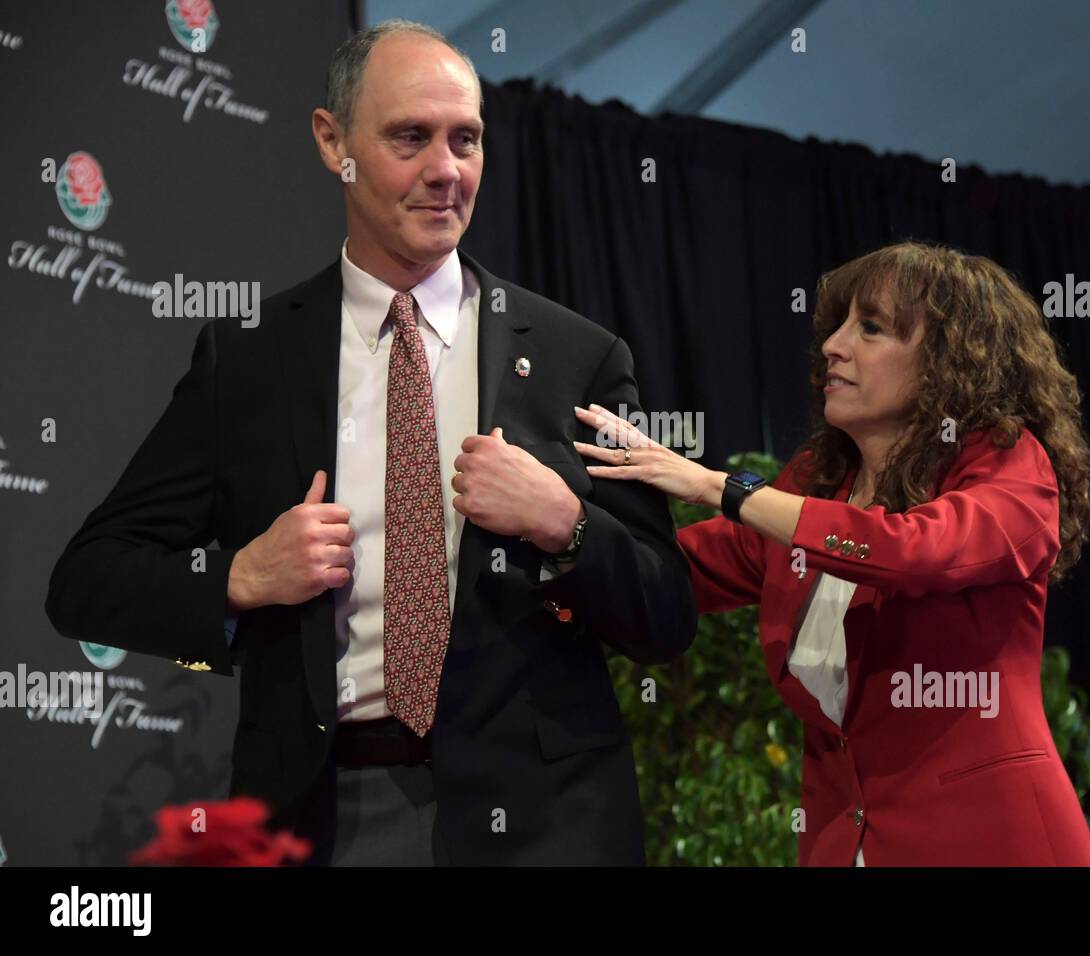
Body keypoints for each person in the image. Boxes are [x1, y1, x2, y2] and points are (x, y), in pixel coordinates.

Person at [45, 19, 695, 866]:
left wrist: (567, 522)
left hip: (545, 826)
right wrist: (242, 576)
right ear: (332, 143)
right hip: (324, 817)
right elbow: (87, 582)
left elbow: (666, 616)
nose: (446, 171)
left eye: (467, 140)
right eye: (410, 138)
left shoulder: (579, 356)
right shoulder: (246, 358)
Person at [574, 240, 1090, 866]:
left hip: (993, 840)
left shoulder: (1009, 464)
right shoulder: (814, 481)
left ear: (949, 361)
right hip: (841, 843)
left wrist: (719, 486)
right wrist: (561, 531)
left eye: (872, 328)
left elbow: (914, 552)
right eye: (840, 325)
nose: (834, 345)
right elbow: (669, 576)